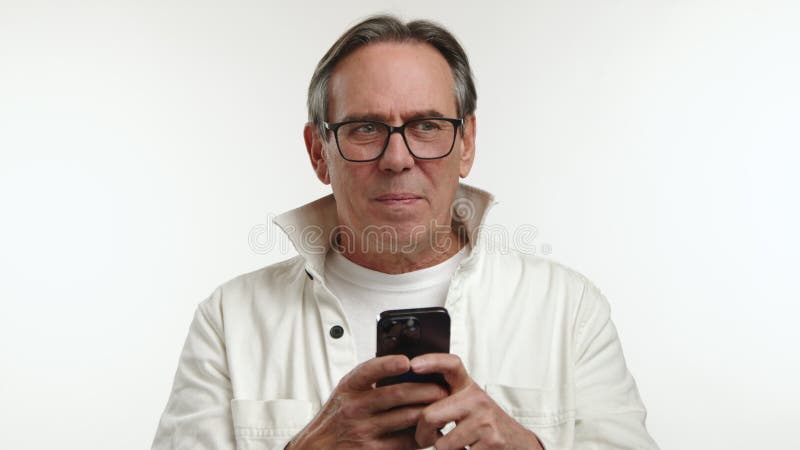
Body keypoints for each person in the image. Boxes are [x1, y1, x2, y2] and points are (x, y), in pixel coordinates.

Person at [152, 15, 659, 450]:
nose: (397, 158)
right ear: (318, 152)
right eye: (365, 128)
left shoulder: (569, 311)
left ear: (466, 143)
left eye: (427, 126)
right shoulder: (230, 321)